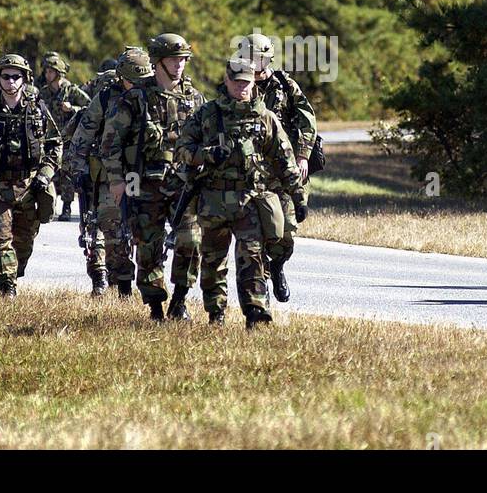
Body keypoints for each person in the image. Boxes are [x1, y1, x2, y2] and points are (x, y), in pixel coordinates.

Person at [176, 57, 306, 328]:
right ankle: (216, 312)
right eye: (236, 83)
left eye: (246, 83)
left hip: (249, 200)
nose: (242, 88)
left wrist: (298, 195)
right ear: (226, 81)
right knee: (213, 262)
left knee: (252, 257)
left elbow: (285, 159)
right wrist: (207, 155)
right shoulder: (208, 114)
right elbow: (182, 150)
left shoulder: (265, 117)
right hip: (214, 201)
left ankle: (256, 314)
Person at [100, 38, 206, 321]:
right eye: (174, 60)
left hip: (184, 184)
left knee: (191, 240)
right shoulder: (136, 99)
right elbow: (110, 144)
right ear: (158, 61)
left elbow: (206, 140)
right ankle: (156, 306)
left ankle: (180, 299)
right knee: (148, 246)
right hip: (143, 182)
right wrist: (116, 181)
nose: (180, 65)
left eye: (183, 59)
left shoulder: (195, 99)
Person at [0, 54, 60, 297]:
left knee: (23, 243)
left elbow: (55, 144)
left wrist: (45, 175)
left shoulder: (37, 108)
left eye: (17, 76)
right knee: (0, 240)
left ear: (25, 79)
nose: (11, 81)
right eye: (6, 76)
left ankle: (12, 276)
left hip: (28, 185)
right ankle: (6, 289)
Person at [240, 33, 317, 302]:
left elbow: (307, 120)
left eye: (258, 57)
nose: (253, 62)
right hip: (250, 173)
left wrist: (303, 156)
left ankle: (277, 265)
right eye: (248, 57)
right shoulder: (237, 85)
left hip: (283, 171)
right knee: (254, 233)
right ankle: (259, 287)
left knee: (285, 233)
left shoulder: (285, 84)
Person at [64, 50, 130, 297]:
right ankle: (102, 277)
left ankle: (113, 278)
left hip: (120, 176)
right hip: (98, 178)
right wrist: (77, 172)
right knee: (100, 229)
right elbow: (75, 141)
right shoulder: (97, 106)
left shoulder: (136, 102)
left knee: (110, 230)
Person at [39, 51, 91, 221]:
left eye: (51, 71)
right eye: (46, 71)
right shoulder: (44, 93)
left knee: (66, 174)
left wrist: (72, 108)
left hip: (68, 139)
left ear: (58, 72)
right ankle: (48, 204)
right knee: (48, 171)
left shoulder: (71, 90)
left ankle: (67, 207)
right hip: (49, 139)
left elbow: (90, 108)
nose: (48, 75)